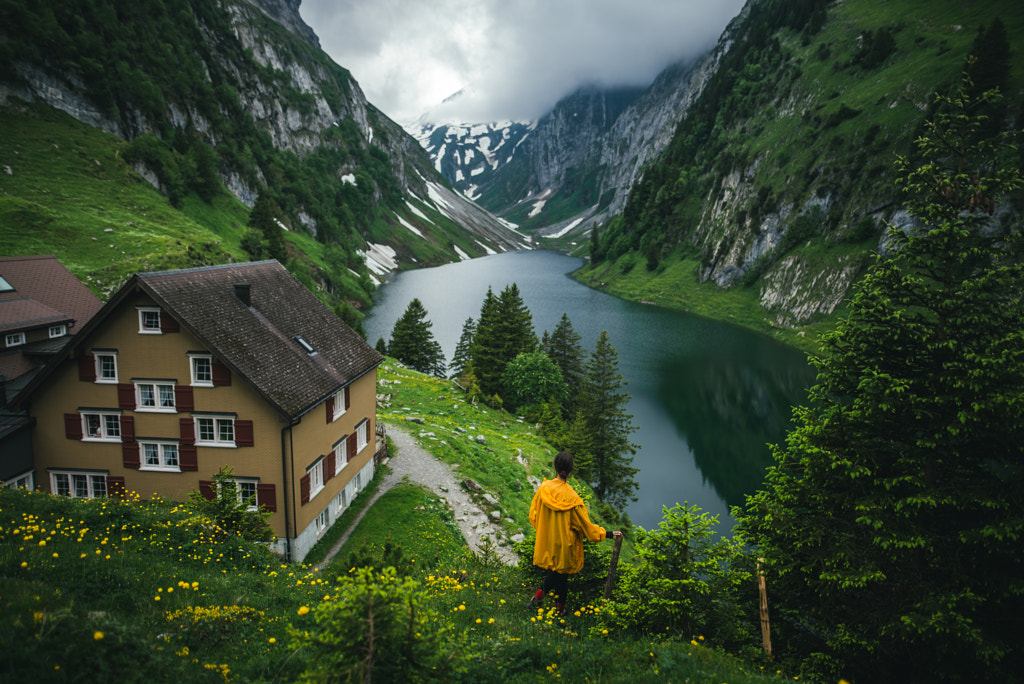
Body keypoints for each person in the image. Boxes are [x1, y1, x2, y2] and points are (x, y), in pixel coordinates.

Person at [527, 450, 621, 615]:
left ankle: (554, 609)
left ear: (555, 466)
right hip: (565, 545)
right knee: (560, 574)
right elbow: (587, 529)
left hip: (548, 541)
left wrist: (545, 529)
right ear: (571, 469)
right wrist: (607, 534)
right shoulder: (573, 499)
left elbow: (533, 515)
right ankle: (540, 601)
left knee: (560, 576)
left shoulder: (544, 489)